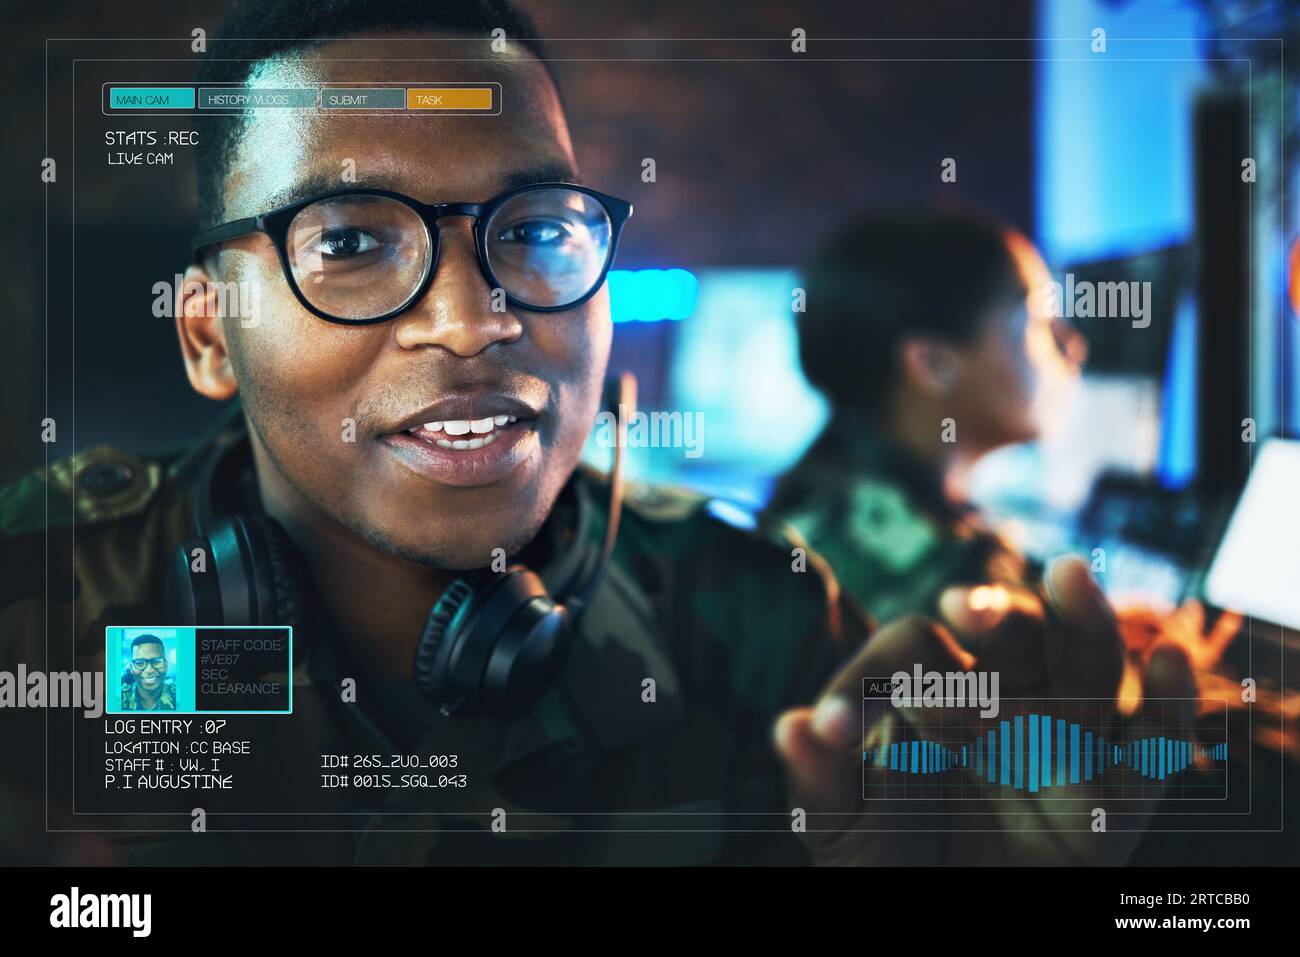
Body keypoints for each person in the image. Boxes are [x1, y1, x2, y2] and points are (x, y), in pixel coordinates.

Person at [0, 0, 1190, 866]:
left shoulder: (769, 623)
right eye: (350, 242)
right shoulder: (41, 589)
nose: (475, 319)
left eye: (534, 230)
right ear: (208, 333)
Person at [766, 212, 1085, 624]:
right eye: (1038, 319)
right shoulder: (958, 593)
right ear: (934, 363)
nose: (1072, 345)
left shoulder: (823, 509)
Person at [120, 634, 177, 711]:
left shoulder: (182, 696)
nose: (149, 670)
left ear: (166, 665)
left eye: (156, 662)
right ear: (131, 667)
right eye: (140, 663)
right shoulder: (117, 699)